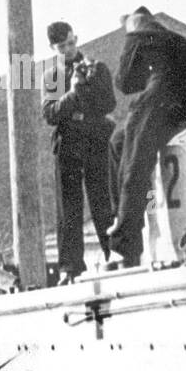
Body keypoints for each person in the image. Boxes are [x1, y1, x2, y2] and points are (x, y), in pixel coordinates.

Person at [106, 7, 186, 266]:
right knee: (119, 143)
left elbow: (124, 82)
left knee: (132, 162)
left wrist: (132, 41)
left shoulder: (138, 35)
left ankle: (124, 241)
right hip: (183, 108)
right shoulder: (183, 42)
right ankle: (126, 223)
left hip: (156, 103)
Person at [42, 21, 116, 282]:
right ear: (53, 47)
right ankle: (70, 268)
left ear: (77, 39)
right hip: (68, 143)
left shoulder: (97, 68)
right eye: (62, 46)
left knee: (102, 199)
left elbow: (109, 103)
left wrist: (85, 91)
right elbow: (50, 114)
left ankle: (115, 254)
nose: (69, 49)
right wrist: (73, 93)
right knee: (68, 206)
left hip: (95, 138)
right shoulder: (53, 76)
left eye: (72, 43)